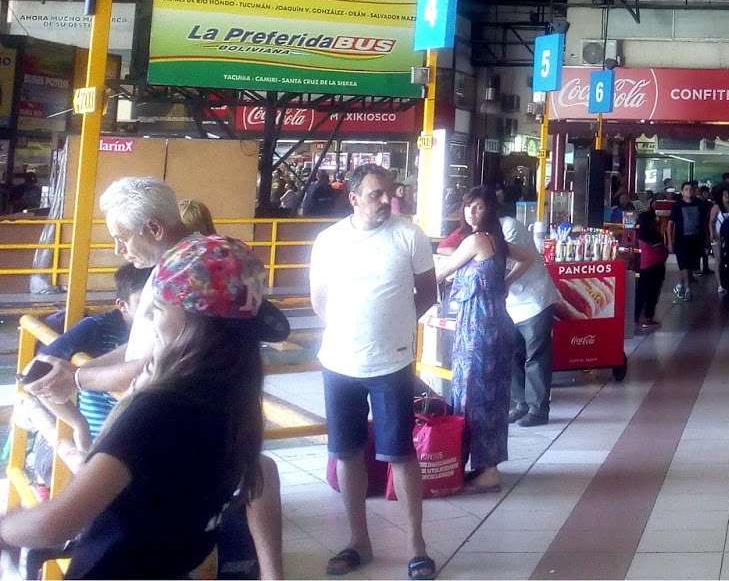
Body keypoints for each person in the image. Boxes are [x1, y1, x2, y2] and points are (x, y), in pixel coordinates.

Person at [28, 177, 288, 581]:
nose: (119, 248)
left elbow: (153, 361)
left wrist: (79, 380)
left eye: (121, 236)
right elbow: (144, 350)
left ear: (153, 228)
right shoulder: (232, 366)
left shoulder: (159, 405)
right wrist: (82, 373)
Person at [309, 163, 438, 580]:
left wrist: (394, 328)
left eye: (390, 193)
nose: (386, 201)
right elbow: (319, 302)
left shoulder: (409, 235)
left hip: (392, 363)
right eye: (376, 194)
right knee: (346, 453)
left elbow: (428, 293)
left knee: (399, 452)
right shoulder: (328, 241)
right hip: (338, 363)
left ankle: (416, 547)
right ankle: (357, 541)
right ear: (353, 198)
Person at [432, 187, 527, 494]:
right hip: (495, 324)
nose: (472, 212)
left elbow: (443, 271)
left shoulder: (475, 240)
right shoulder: (496, 241)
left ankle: (484, 469)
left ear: (489, 210)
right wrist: (503, 284)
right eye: (469, 206)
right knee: (492, 398)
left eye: (479, 207)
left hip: (478, 329)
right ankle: (488, 466)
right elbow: (528, 258)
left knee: (474, 395)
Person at [16, 263, 147, 482]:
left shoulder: (165, 331)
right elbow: (35, 374)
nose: (151, 313)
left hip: (137, 440)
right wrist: (78, 425)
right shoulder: (97, 327)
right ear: (122, 305)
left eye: (159, 305)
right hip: (100, 440)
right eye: (145, 305)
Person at [501, 203, 558, 428]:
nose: (474, 214)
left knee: (536, 356)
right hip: (512, 303)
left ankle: (538, 410)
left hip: (535, 300)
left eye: (479, 208)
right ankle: (520, 404)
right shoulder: (480, 236)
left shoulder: (509, 227)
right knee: (514, 354)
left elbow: (499, 264)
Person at [669, 180, 710, 302]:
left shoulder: (698, 203)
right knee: (684, 263)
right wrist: (670, 241)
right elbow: (670, 224)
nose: (689, 191)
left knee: (690, 265)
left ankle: (681, 284)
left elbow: (704, 221)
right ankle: (688, 289)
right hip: (681, 240)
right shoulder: (678, 205)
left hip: (695, 239)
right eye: (686, 189)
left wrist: (706, 237)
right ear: (682, 192)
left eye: (691, 189)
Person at [633, 209, 669, 329]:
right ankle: (648, 317)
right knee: (652, 293)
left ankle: (635, 316)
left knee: (641, 292)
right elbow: (658, 249)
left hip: (645, 266)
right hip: (655, 267)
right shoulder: (653, 234)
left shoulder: (641, 233)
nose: (656, 221)